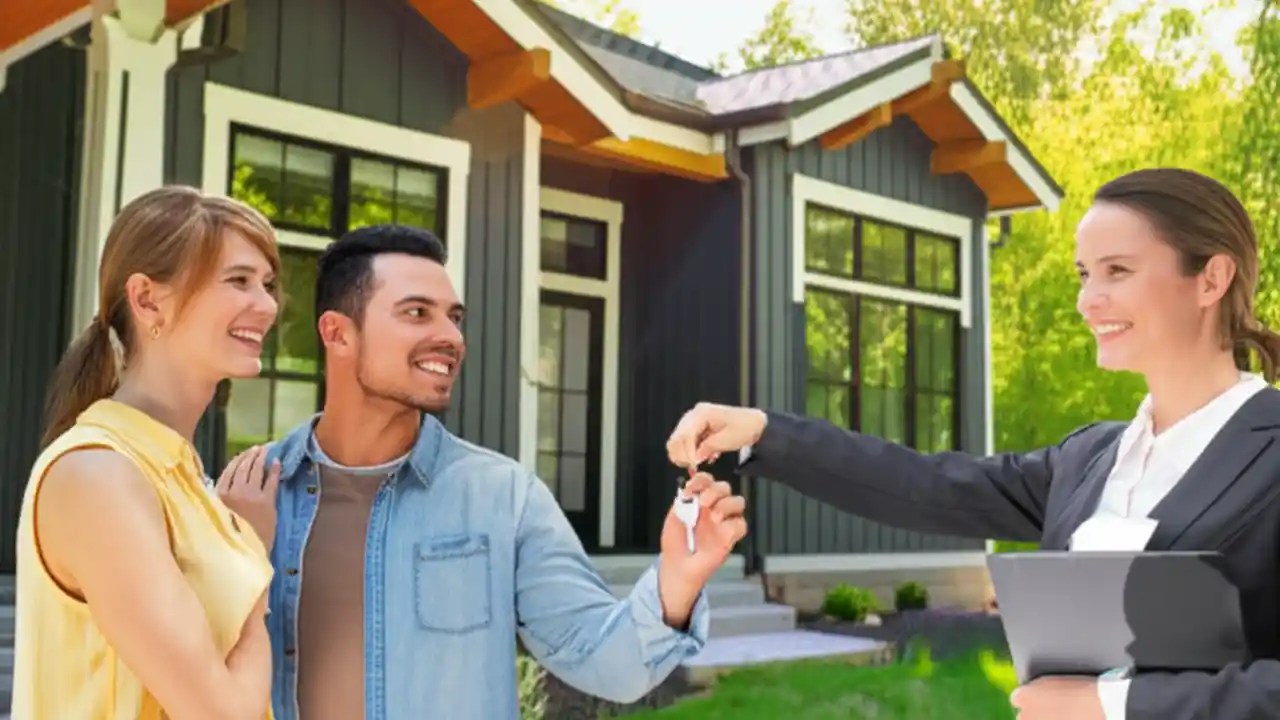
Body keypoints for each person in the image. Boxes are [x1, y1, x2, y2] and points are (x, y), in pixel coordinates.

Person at [665, 167, 1280, 720]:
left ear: (1211, 278)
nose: (1087, 300)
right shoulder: (1090, 459)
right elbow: (924, 485)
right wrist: (766, 432)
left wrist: (1113, 706)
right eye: (1084, 274)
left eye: (1117, 271)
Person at [216, 224, 747, 719]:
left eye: (454, 317)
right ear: (338, 334)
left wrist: (678, 581)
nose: (450, 336)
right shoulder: (252, 495)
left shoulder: (504, 498)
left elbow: (610, 664)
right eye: (417, 312)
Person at [12, 186, 282, 719]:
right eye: (239, 281)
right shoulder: (97, 474)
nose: (268, 305)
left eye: (268, 284)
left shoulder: (180, 475)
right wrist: (252, 553)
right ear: (147, 299)